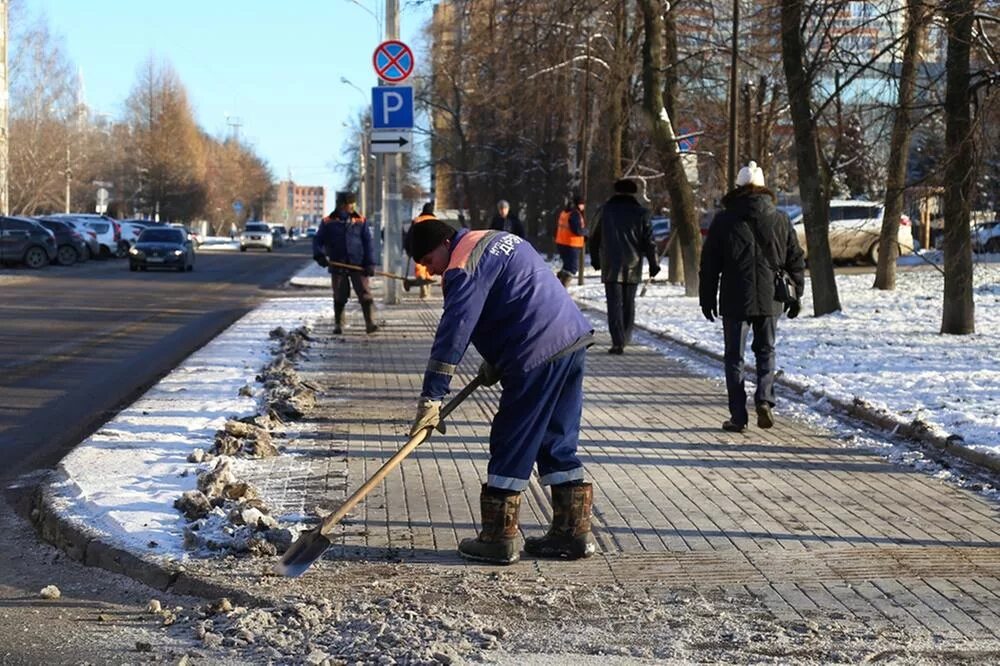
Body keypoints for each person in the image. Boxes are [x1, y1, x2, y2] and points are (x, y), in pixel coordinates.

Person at [406, 219, 597, 565]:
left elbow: (454, 331)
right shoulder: (499, 239)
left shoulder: (463, 265)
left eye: (428, 259)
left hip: (536, 352)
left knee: (513, 436)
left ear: (445, 242)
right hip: (571, 339)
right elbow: (513, 297)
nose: (429, 271)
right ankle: (573, 534)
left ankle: (498, 539)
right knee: (556, 437)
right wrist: (496, 358)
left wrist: (432, 397)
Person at [698, 161, 805, 433]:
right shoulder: (781, 220)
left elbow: (709, 264)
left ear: (738, 187)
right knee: (766, 350)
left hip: (735, 298)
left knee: (734, 356)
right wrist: (797, 294)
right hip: (771, 298)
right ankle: (764, 399)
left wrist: (707, 297)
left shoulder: (723, 221)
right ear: (763, 189)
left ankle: (738, 416)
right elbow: (795, 259)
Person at [588, 178, 659, 354]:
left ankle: (617, 341)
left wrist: (595, 258)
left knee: (613, 304)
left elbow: (594, 236)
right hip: (633, 263)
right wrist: (653, 263)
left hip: (611, 264)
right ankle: (626, 337)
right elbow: (649, 241)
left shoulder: (605, 211)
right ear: (634, 193)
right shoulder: (642, 213)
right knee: (629, 303)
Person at [312, 192, 379, 335]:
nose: (353, 207)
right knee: (339, 295)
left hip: (358, 263)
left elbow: (368, 243)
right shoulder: (328, 222)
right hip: (338, 263)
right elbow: (318, 241)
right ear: (342, 205)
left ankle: (370, 322)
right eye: (350, 204)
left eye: (353, 204)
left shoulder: (360, 220)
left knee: (365, 293)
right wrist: (319, 256)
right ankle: (339, 324)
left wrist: (370, 263)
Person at [554, 196, 587, 288]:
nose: (583, 206)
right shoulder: (575, 214)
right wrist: (587, 231)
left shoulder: (564, 213)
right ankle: (562, 287)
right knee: (572, 268)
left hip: (561, 242)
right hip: (572, 244)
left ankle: (557, 283)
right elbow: (577, 230)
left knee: (566, 266)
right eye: (582, 204)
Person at [407, 202, 436, 299]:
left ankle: (423, 289)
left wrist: (408, 249)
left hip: (418, 249)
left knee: (420, 269)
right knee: (430, 269)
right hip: (432, 249)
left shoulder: (417, 220)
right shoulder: (436, 221)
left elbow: (410, 236)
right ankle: (427, 290)